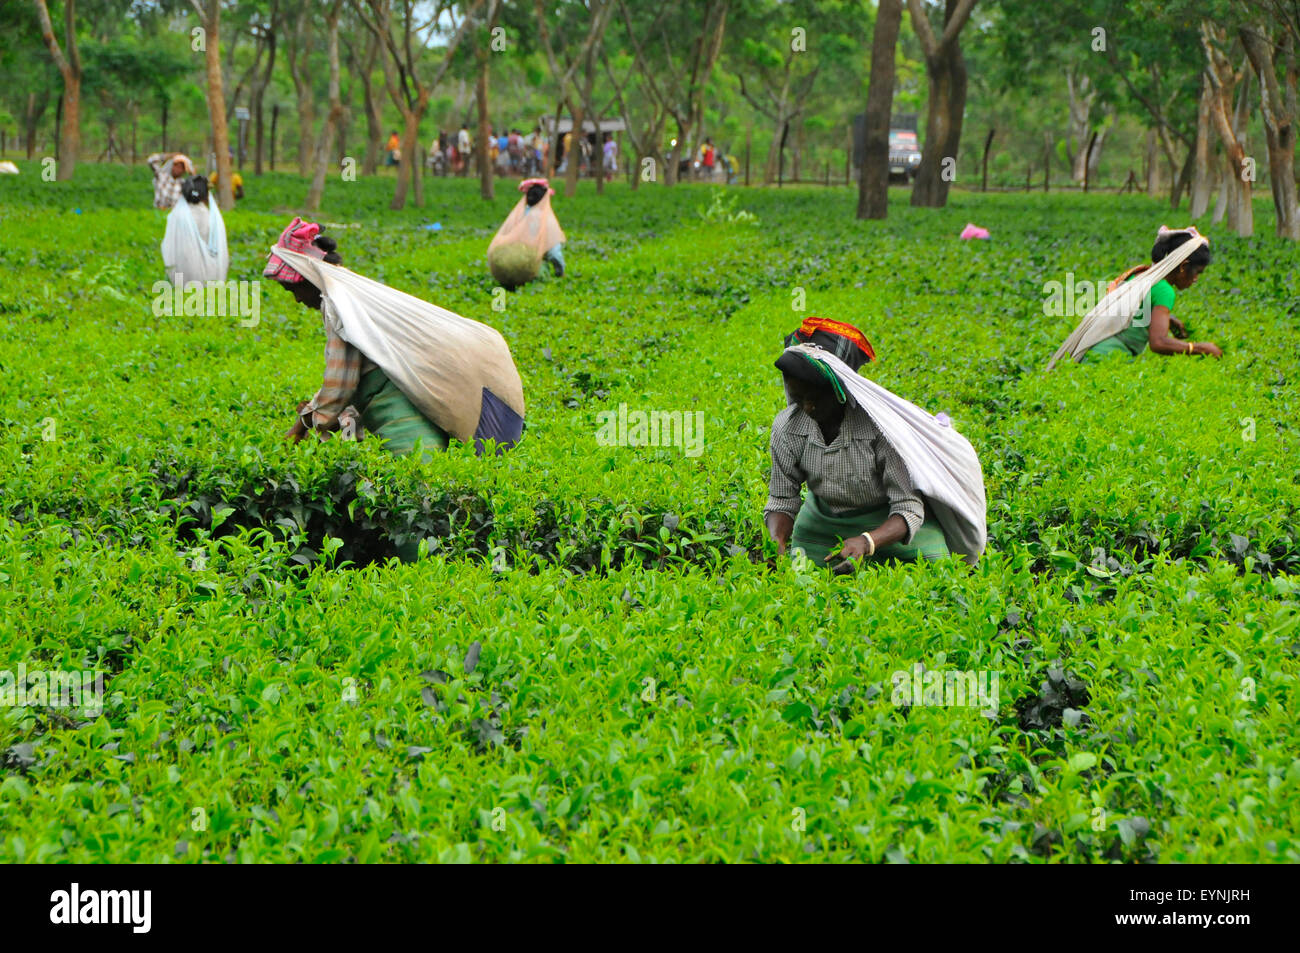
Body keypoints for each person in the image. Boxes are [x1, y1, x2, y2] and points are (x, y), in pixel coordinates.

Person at [267, 216, 525, 460]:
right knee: (426, 481)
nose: (298, 299)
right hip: (403, 402)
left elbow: (340, 385)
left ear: (308, 278)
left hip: (400, 411)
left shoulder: (338, 304)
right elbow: (348, 394)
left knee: (418, 480)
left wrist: (304, 424)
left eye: (294, 290)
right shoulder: (350, 292)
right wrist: (322, 422)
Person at [765, 317, 986, 571]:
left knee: (936, 572)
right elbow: (782, 498)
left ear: (841, 390)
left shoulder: (880, 430)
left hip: (886, 522)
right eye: (798, 397)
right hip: (823, 523)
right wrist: (777, 542)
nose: (807, 407)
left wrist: (867, 542)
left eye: (814, 398)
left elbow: (908, 508)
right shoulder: (788, 427)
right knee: (805, 577)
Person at [1049, 225, 1222, 367]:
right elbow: (1158, 342)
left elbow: (1131, 309)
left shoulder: (1141, 275)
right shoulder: (1164, 291)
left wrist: (1168, 320)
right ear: (1183, 266)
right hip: (1108, 361)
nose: (1196, 279)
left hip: (1091, 354)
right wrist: (1199, 348)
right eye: (1197, 272)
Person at [487, 178, 566, 289]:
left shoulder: (519, 215)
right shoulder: (546, 220)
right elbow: (554, 253)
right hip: (533, 271)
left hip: (510, 264)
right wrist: (560, 272)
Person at [161, 175, 229, 287]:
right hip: (209, 276)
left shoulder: (176, 215)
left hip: (183, 273)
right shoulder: (209, 216)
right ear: (206, 195)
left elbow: (169, 246)